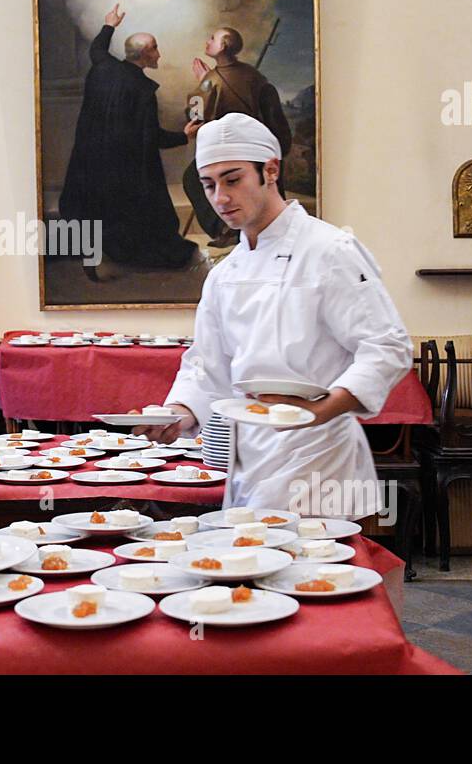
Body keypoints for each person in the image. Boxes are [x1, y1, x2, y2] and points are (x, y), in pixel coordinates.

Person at [136, 113, 412, 519]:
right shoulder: (225, 273)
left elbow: (387, 347)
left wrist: (322, 410)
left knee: (317, 576)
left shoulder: (330, 249)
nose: (220, 198)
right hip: (248, 456)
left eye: (233, 180)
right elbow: (207, 366)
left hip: (320, 456)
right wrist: (177, 414)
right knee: (248, 570)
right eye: (209, 185)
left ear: (271, 170)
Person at [58, 4, 198, 272]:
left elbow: (97, 49)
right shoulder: (142, 90)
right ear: (145, 56)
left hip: (89, 164)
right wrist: (184, 136)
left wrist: (110, 24)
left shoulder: (103, 66)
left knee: (95, 209)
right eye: (155, 48)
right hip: (121, 170)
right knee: (148, 218)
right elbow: (152, 137)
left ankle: (95, 250)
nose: (159, 52)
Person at [181, 27, 292, 247]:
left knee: (193, 179)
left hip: (229, 149)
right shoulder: (254, 75)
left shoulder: (211, 79)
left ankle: (223, 228)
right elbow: (273, 116)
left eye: (212, 38)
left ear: (223, 47)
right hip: (258, 149)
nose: (208, 41)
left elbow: (195, 114)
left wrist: (202, 84)